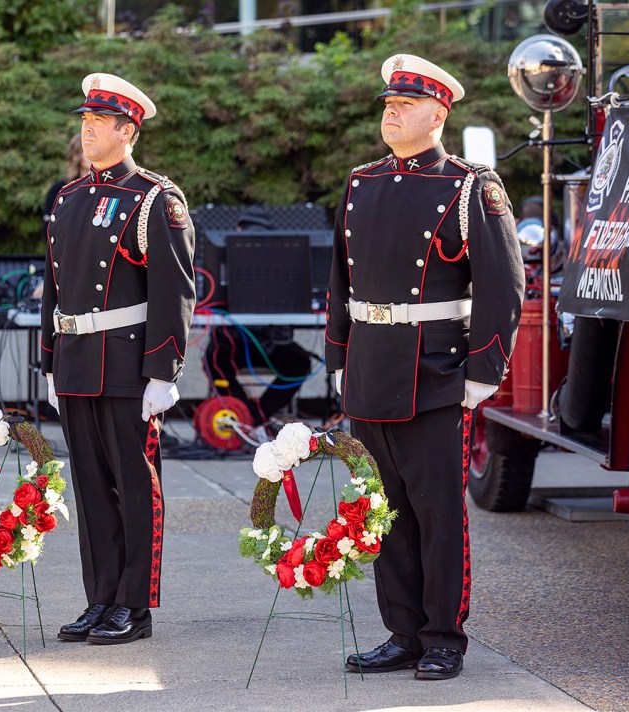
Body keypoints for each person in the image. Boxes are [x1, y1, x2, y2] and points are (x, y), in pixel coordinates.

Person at [325, 54, 523, 679]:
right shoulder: (361, 183)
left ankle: (443, 637)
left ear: (438, 115)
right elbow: (340, 283)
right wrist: (338, 359)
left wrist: (482, 371)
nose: (392, 113)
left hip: (436, 372)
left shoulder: (470, 187)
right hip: (371, 370)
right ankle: (403, 632)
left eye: (405, 106)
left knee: (438, 514)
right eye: (388, 105)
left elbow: (503, 283)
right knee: (383, 512)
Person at [41, 73, 195, 645]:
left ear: (128, 130)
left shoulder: (156, 199)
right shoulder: (69, 196)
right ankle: (99, 598)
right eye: (83, 121)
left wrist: (163, 370)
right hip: (79, 360)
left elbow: (174, 291)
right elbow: (53, 290)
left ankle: (134, 606)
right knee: (90, 489)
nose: (86, 130)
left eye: (97, 122)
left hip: (129, 366)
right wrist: (51, 363)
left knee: (134, 487)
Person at [203, 207, 312, 433]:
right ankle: (244, 415)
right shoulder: (223, 257)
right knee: (214, 358)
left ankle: (249, 420)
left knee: (299, 363)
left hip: (272, 343)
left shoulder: (286, 261)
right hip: (234, 341)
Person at [43, 134, 90, 238]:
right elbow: (49, 229)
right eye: (87, 149)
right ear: (76, 154)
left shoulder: (108, 187)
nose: (92, 154)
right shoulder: (59, 189)